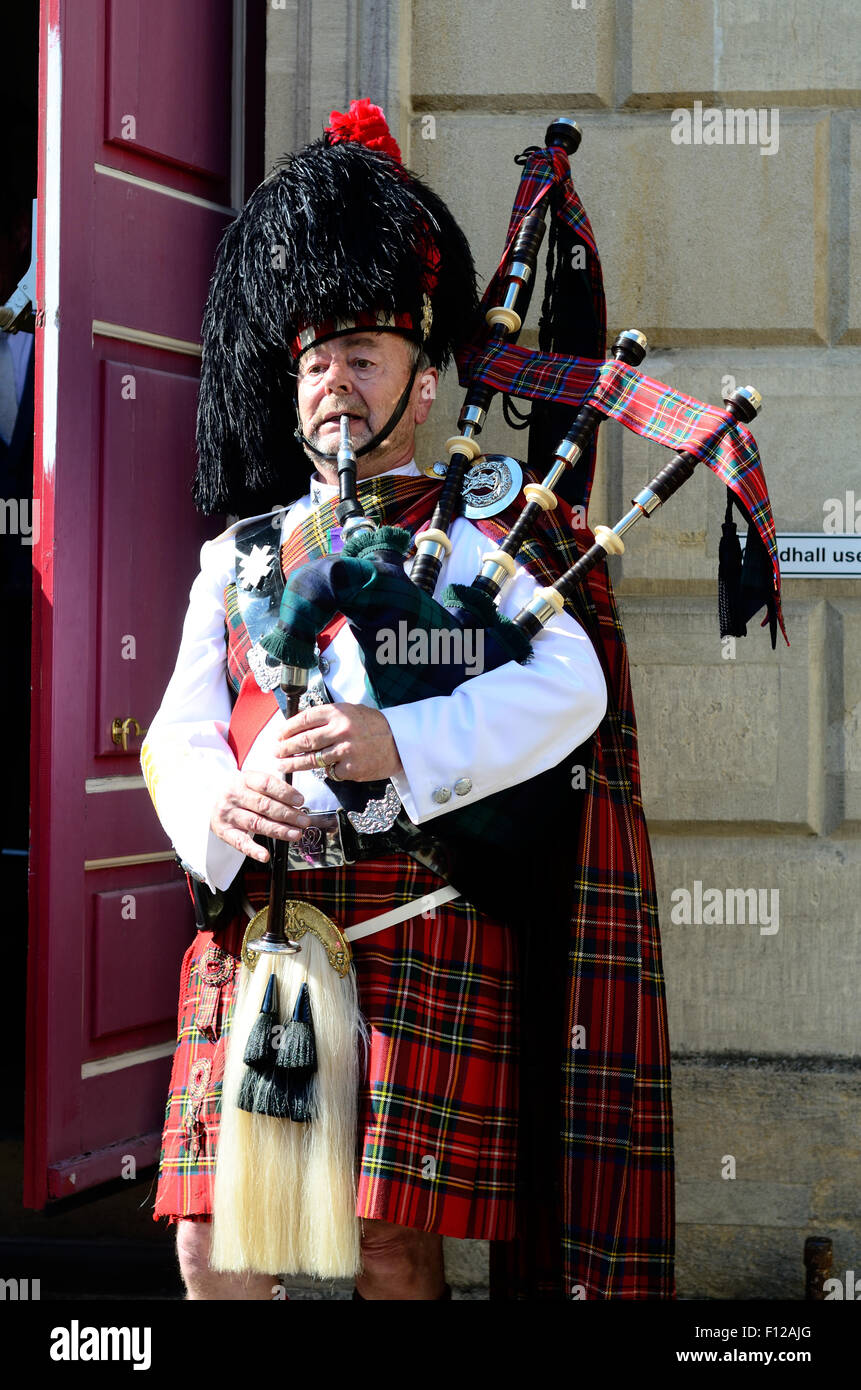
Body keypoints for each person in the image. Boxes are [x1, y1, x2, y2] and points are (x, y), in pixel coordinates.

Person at [142, 100, 675, 1302]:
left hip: (416, 914)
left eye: (365, 357)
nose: (336, 381)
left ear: (425, 384)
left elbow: (571, 688)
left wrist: (398, 740)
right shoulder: (240, 553)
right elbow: (176, 726)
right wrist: (225, 807)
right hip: (260, 924)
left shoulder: (484, 537)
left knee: (392, 1244)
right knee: (212, 1241)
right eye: (316, 361)